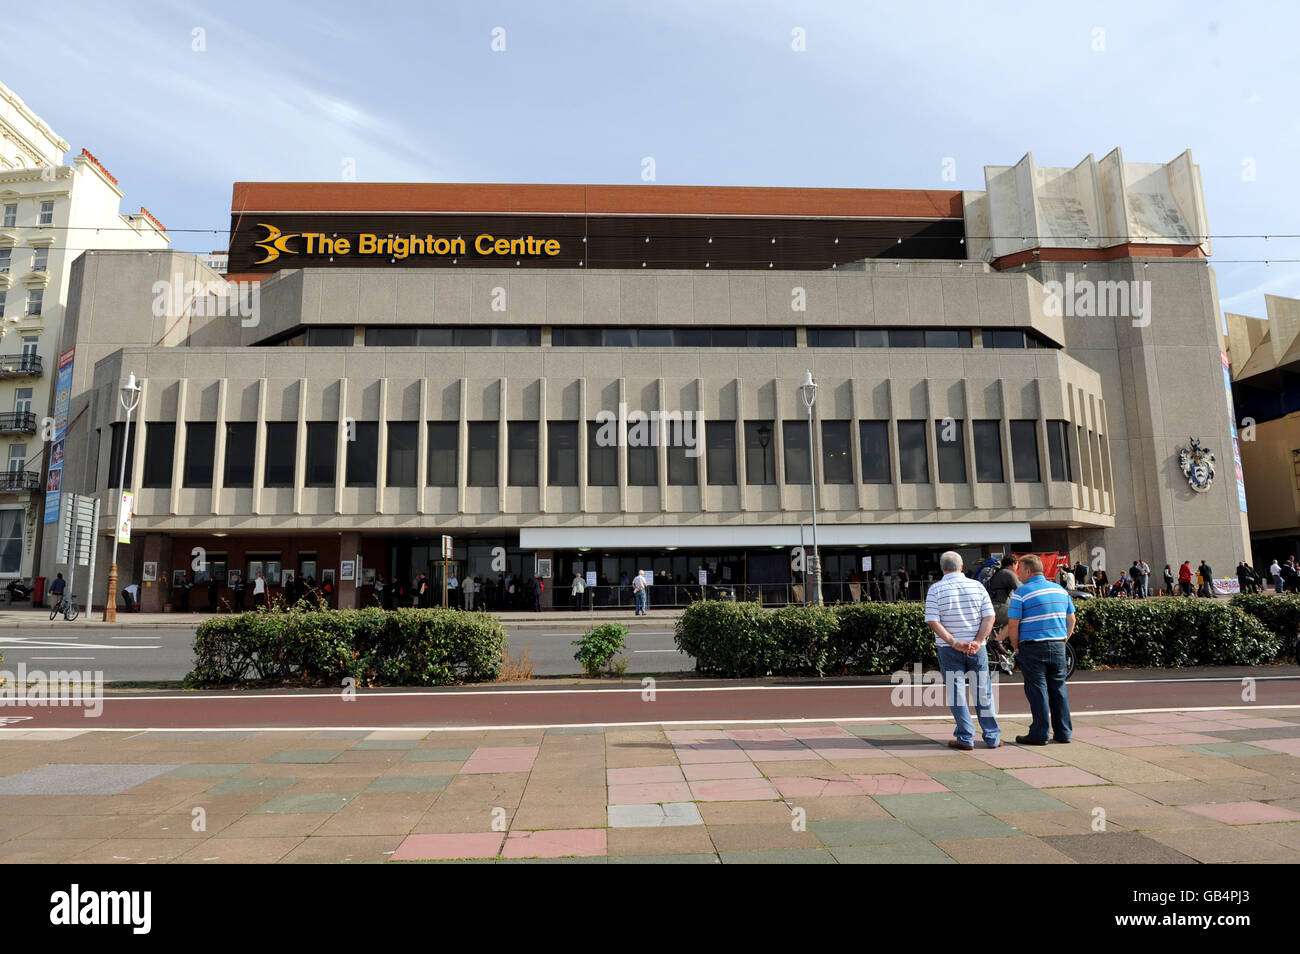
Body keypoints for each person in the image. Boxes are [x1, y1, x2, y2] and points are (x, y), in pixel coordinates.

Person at [925, 551, 1000, 750]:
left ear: (942, 568)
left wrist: (953, 641)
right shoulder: (977, 587)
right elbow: (989, 617)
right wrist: (977, 640)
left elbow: (933, 620)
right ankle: (992, 736)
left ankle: (965, 737)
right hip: (978, 649)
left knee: (956, 692)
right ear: (961, 566)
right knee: (983, 692)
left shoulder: (936, 589)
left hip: (949, 649)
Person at [1004, 553, 1074, 745]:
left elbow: (1013, 624)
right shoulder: (1060, 590)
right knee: (1058, 689)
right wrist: (1063, 639)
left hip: (1032, 647)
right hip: (1058, 646)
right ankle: (1063, 732)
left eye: (1020, 571)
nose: (1018, 575)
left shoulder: (1021, 593)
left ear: (1028, 570)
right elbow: (1071, 619)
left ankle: (1040, 733)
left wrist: (1016, 646)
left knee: (1037, 691)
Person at [986, 555, 1021, 632]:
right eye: (1017, 565)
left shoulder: (999, 572)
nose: (1017, 568)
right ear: (1013, 564)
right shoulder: (1008, 573)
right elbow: (1021, 590)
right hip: (1000, 608)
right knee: (1020, 618)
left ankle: (997, 641)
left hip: (993, 607)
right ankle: (1004, 640)